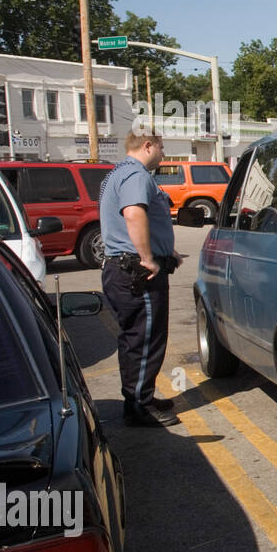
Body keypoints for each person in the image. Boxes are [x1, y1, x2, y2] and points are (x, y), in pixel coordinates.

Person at [99, 132, 181, 427]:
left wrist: (166, 250)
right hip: (137, 272)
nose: (162, 154)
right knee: (146, 339)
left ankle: (137, 397)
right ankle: (140, 406)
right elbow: (133, 214)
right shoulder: (136, 175)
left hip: (122, 269)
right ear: (148, 145)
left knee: (135, 339)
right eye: (161, 148)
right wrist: (147, 258)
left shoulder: (117, 173)